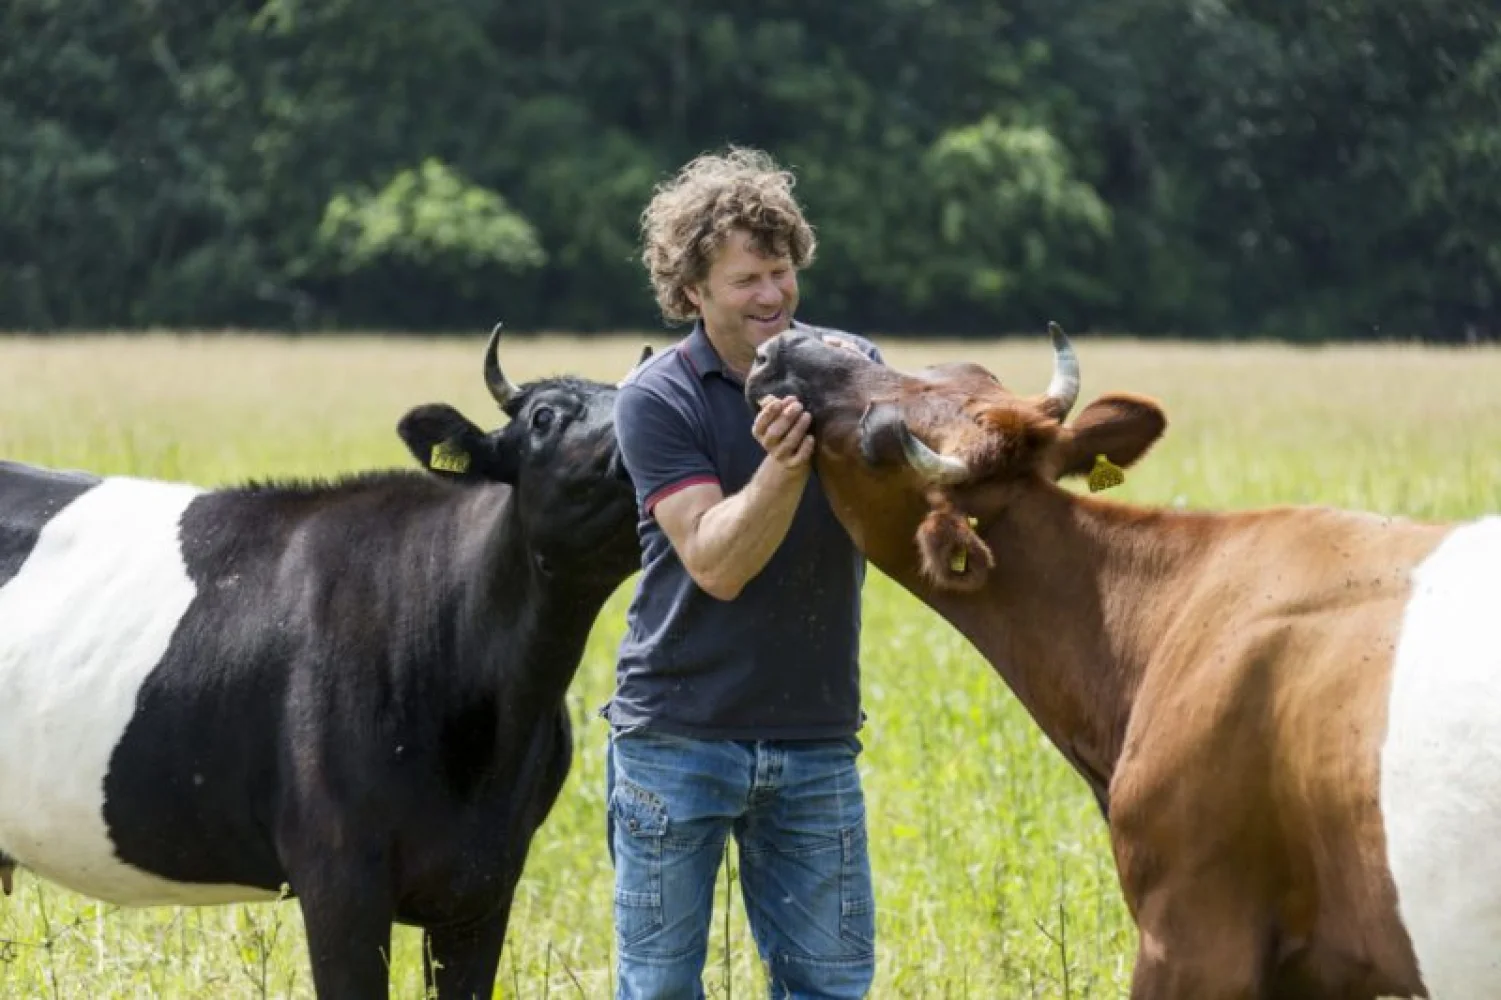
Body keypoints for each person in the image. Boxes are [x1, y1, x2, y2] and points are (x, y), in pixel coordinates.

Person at [601, 147, 881, 999]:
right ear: (691, 292)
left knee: (830, 991)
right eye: (745, 279)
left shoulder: (847, 365)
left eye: (782, 270)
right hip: (675, 738)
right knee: (658, 990)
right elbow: (716, 563)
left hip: (814, 736)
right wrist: (785, 468)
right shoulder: (657, 398)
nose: (771, 295)